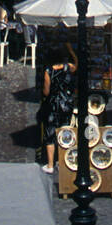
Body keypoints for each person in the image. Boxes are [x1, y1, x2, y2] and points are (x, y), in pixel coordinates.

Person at [39, 43, 77, 173]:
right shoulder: (69, 67)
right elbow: (76, 65)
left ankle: (50, 165)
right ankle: (62, 162)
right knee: (64, 131)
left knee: (50, 133)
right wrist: (72, 52)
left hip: (53, 104)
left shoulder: (48, 71)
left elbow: (46, 91)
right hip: (66, 104)